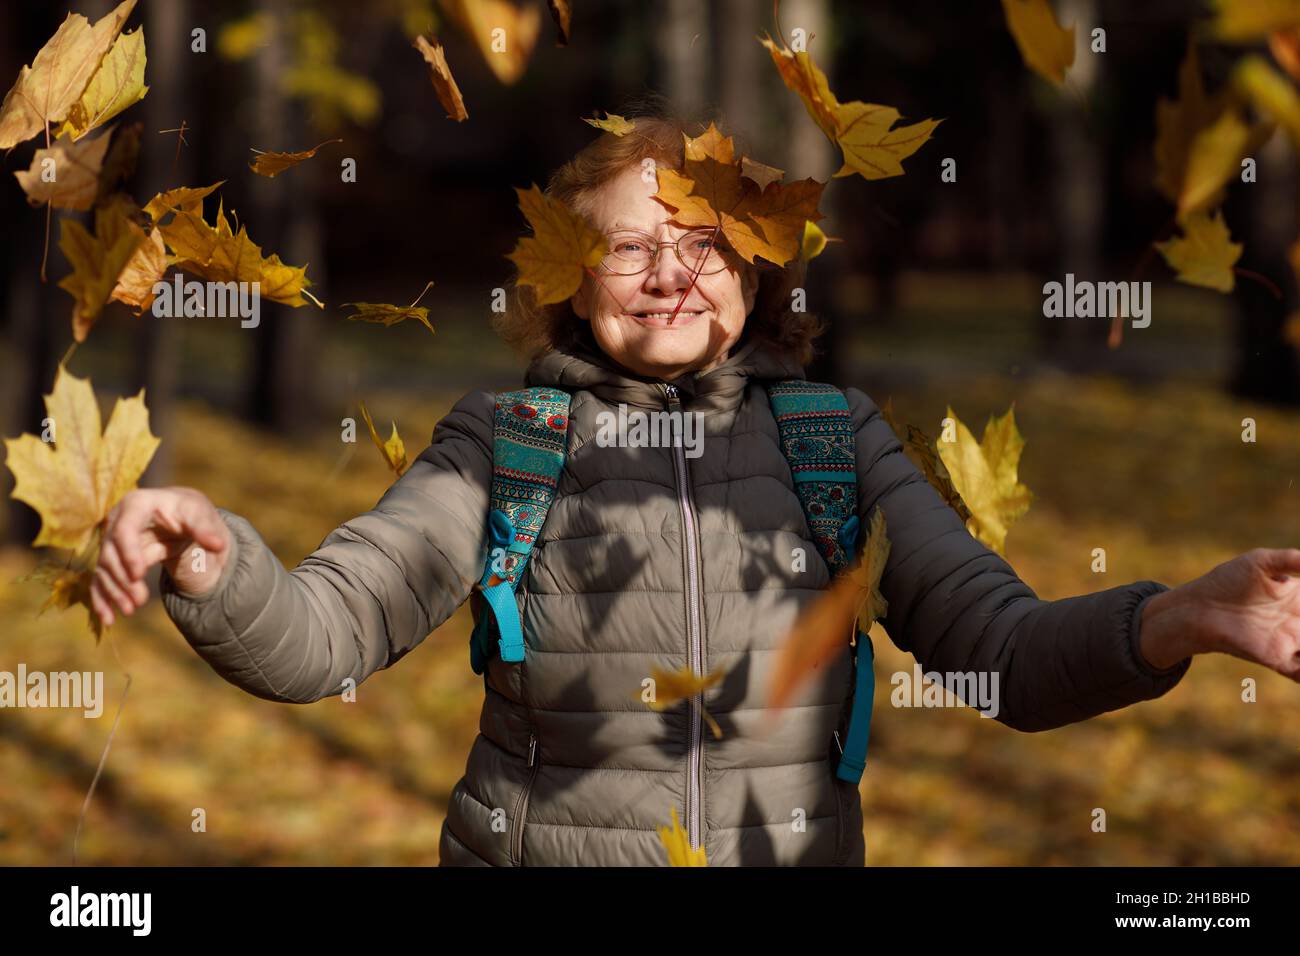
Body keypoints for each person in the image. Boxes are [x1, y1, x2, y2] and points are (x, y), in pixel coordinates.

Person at [89, 116, 1300, 867]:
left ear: (756, 271)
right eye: (628, 245)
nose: (671, 275)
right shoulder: (504, 441)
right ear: (568, 276)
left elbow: (1008, 653)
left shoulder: (838, 443)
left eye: (709, 245)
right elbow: (323, 635)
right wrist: (214, 558)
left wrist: (1176, 616)